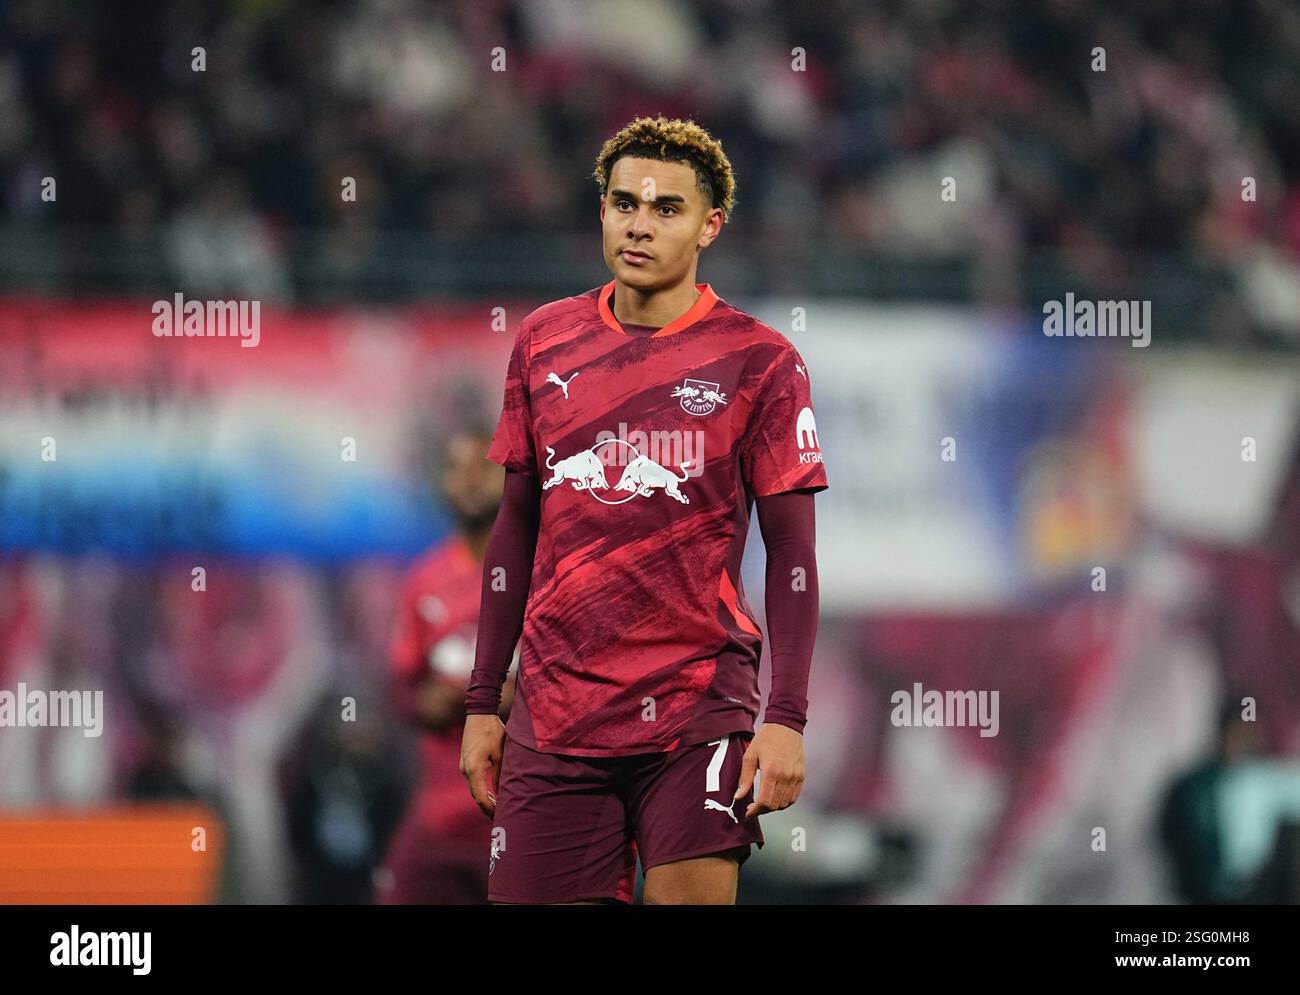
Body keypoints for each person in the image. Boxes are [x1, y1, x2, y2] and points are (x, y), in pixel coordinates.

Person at [461, 116, 829, 905]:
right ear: (601, 210)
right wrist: (482, 700)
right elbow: (515, 527)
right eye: (624, 202)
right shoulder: (542, 341)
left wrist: (787, 716)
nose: (640, 223)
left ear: (709, 225)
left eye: (667, 209)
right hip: (556, 708)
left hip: (697, 706)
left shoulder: (759, 360)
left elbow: (793, 554)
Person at [374, 426, 516, 904]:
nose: (471, 480)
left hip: (525, 810)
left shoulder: (543, 572)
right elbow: (402, 690)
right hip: (441, 816)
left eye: (484, 468)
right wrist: (424, 701)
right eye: (457, 469)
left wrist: (499, 696)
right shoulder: (424, 580)